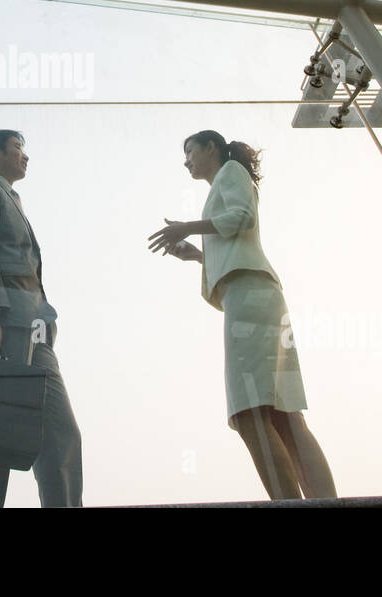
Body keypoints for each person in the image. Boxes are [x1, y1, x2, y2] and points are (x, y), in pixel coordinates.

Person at [148, 130, 336, 501]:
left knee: (251, 413)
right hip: (256, 297)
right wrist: (198, 255)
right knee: (284, 415)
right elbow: (237, 238)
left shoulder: (230, 171)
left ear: (211, 148)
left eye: (190, 151)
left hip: (250, 301)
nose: (186, 161)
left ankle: (290, 502)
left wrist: (187, 226)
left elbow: (242, 217)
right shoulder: (226, 179)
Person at [0, 129, 82, 507]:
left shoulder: (14, 198)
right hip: (6, 319)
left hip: (36, 328)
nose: (24, 156)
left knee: (61, 434)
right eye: (17, 148)